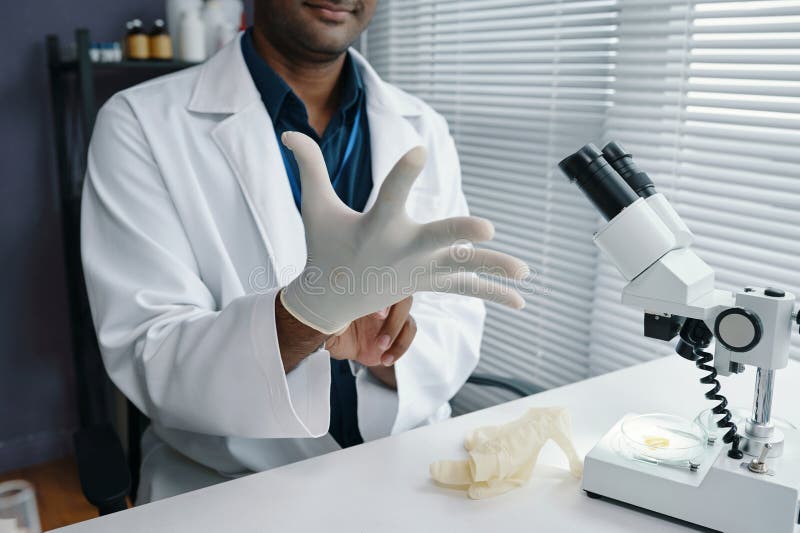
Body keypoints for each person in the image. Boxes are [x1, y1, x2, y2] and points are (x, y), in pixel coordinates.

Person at [81, 0, 525, 503]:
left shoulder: (423, 126)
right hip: (230, 490)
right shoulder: (139, 122)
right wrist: (307, 315)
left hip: (407, 467)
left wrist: (387, 347)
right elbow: (152, 353)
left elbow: (453, 318)